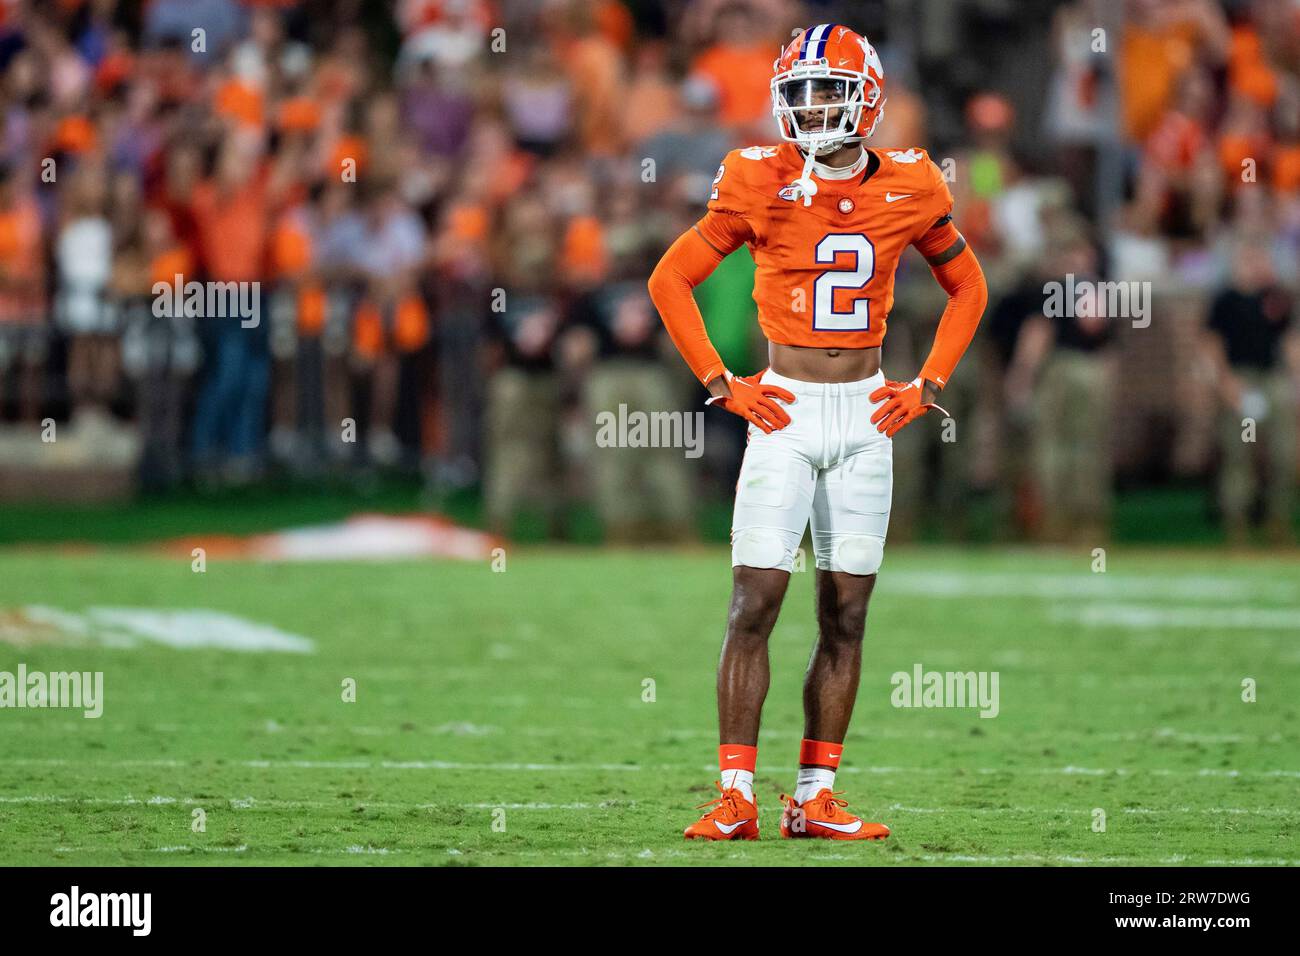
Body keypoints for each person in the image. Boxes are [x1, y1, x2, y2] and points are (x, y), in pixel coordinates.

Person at [647, 24, 987, 841]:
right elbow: (670, 278)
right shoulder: (758, 177)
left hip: (866, 413)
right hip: (787, 410)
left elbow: (968, 286)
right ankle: (736, 793)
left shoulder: (911, 183)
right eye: (798, 93)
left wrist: (928, 383)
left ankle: (814, 795)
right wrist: (720, 383)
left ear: (867, 96)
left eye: (828, 90)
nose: (812, 106)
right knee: (755, 602)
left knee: (848, 614)